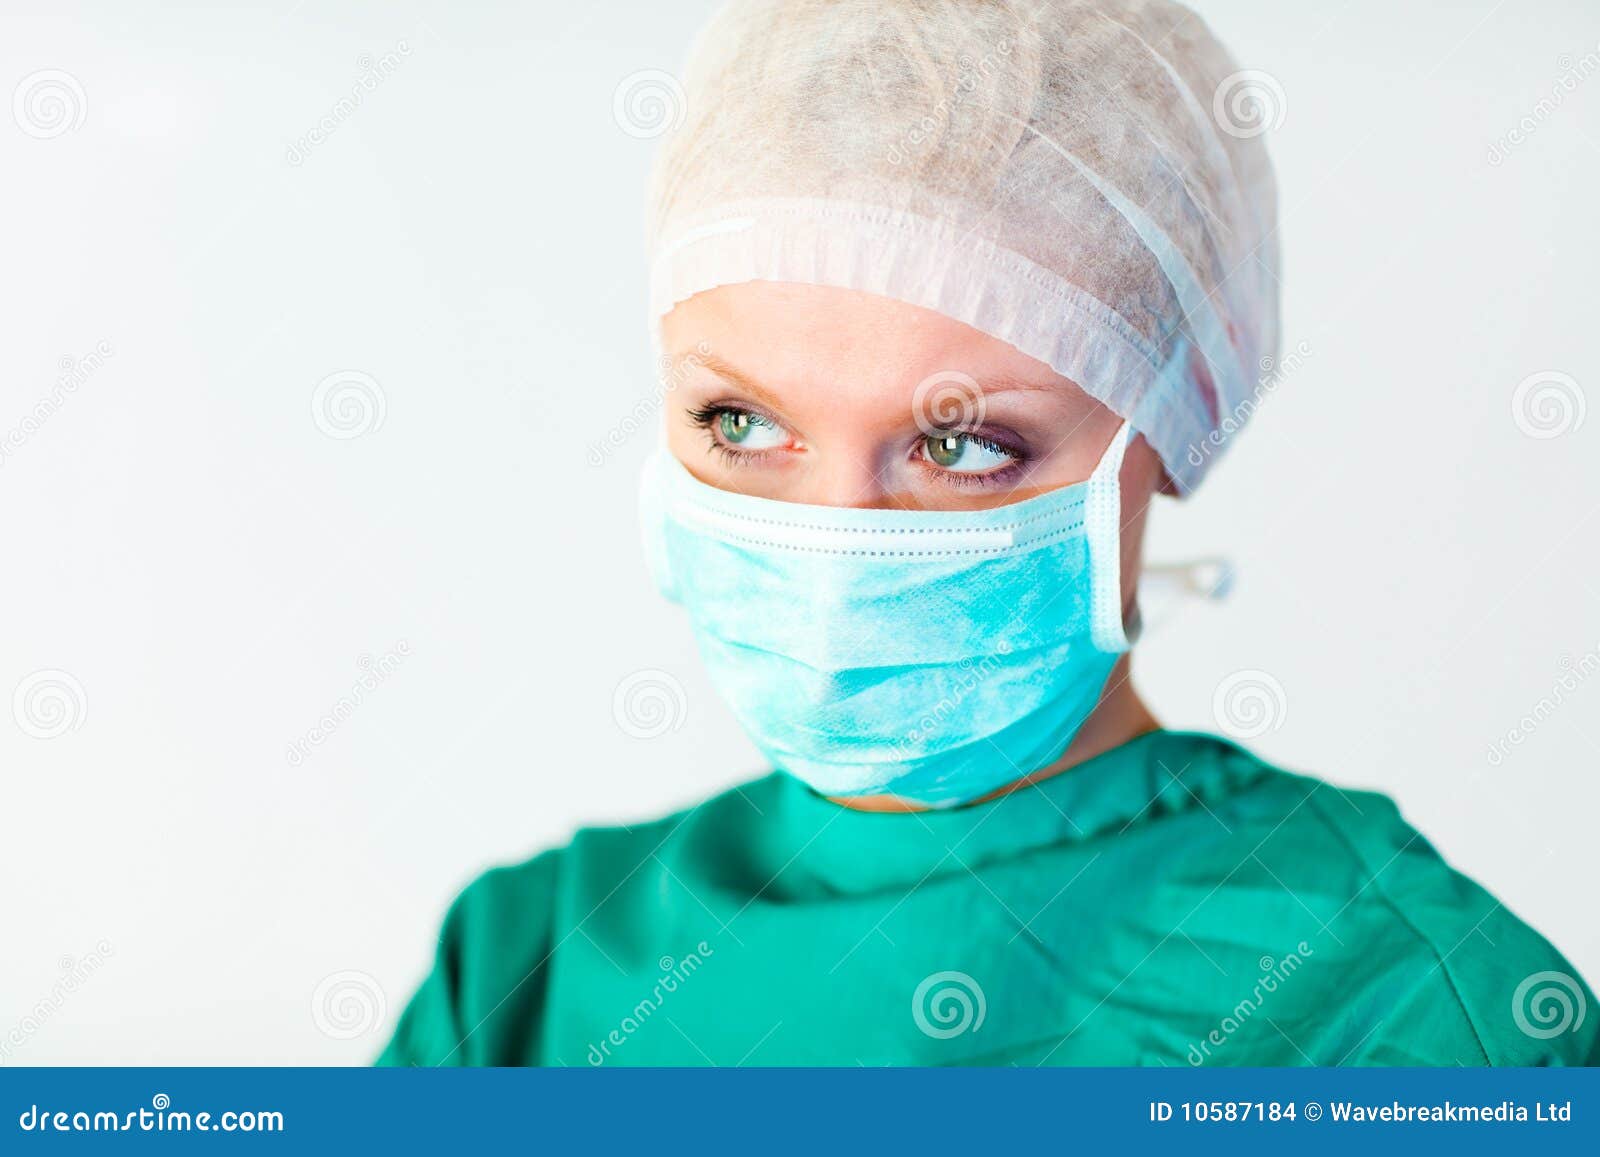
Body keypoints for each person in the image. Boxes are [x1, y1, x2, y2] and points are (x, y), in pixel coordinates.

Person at [380, 0, 1597, 1066]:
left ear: (1173, 426)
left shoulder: (1398, 1012)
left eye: (960, 445)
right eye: (740, 419)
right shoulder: (522, 974)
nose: (831, 546)